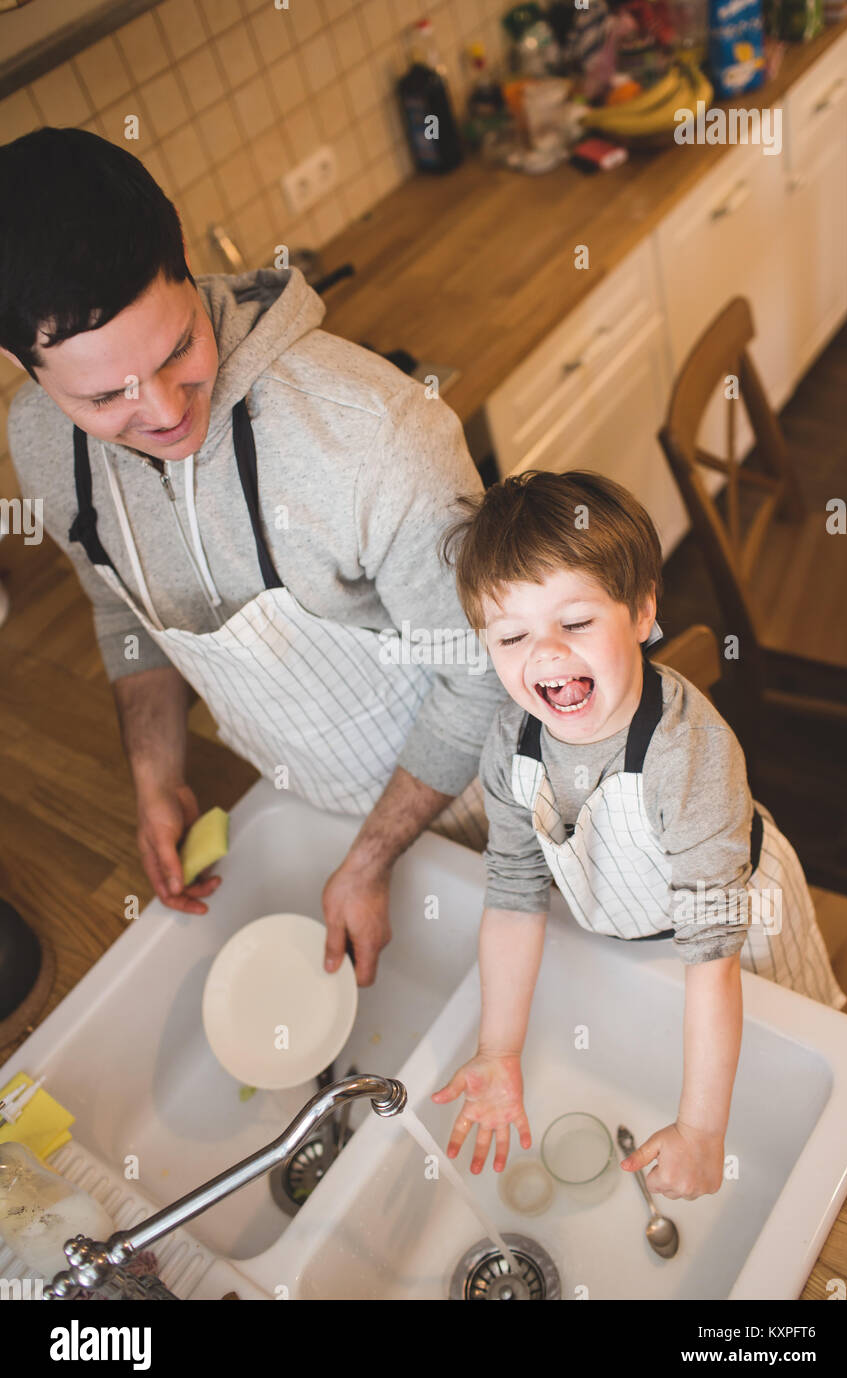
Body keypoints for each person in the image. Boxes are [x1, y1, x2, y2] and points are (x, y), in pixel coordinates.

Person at [0, 127, 505, 987]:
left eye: (177, 352)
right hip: (313, 805)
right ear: (22, 367)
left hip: (502, 800)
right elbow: (122, 607)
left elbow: (481, 672)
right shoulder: (42, 443)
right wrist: (155, 777)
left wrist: (372, 856)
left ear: (186, 259)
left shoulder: (372, 435)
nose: (162, 411)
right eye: (104, 394)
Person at [431, 469, 846, 1199]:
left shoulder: (685, 756)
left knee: (801, 1069)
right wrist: (499, 1048)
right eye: (512, 635)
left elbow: (712, 961)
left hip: (737, 932)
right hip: (632, 930)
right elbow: (514, 893)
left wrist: (701, 1133)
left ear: (642, 611)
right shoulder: (508, 745)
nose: (547, 653)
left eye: (576, 622)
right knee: (712, 1070)